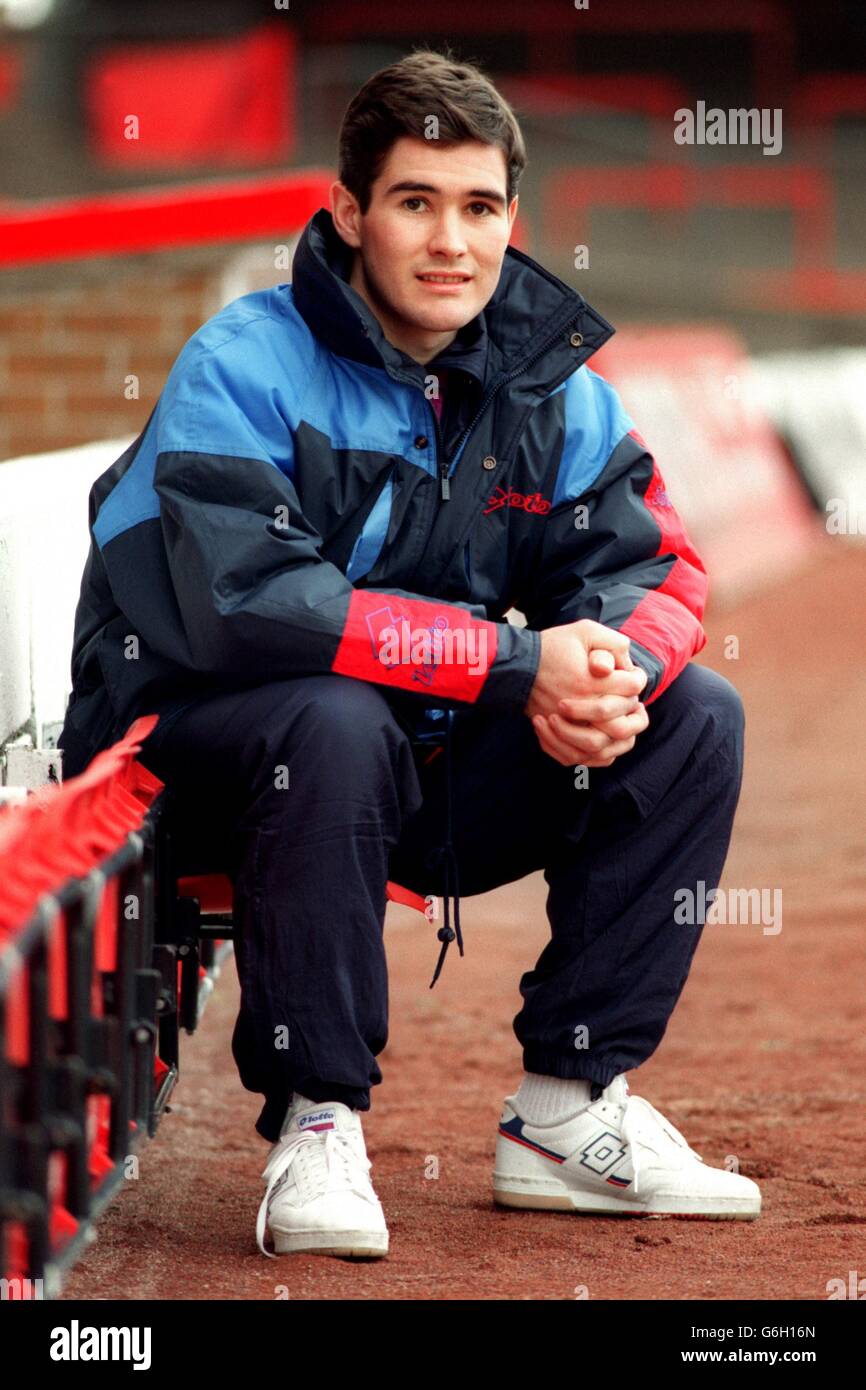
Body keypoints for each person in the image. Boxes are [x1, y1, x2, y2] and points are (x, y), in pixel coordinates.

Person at [57, 47, 759, 1260]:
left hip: (412, 770)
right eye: (415, 203)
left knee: (694, 714)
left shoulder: (554, 393)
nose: (451, 241)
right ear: (349, 213)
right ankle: (316, 1121)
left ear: (511, 221)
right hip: (197, 775)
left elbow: (656, 567)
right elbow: (259, 608)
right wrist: (509, 662)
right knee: (328, 715)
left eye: (478, 207)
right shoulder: (244, 363)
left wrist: (607, 678)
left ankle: (564, 1112)